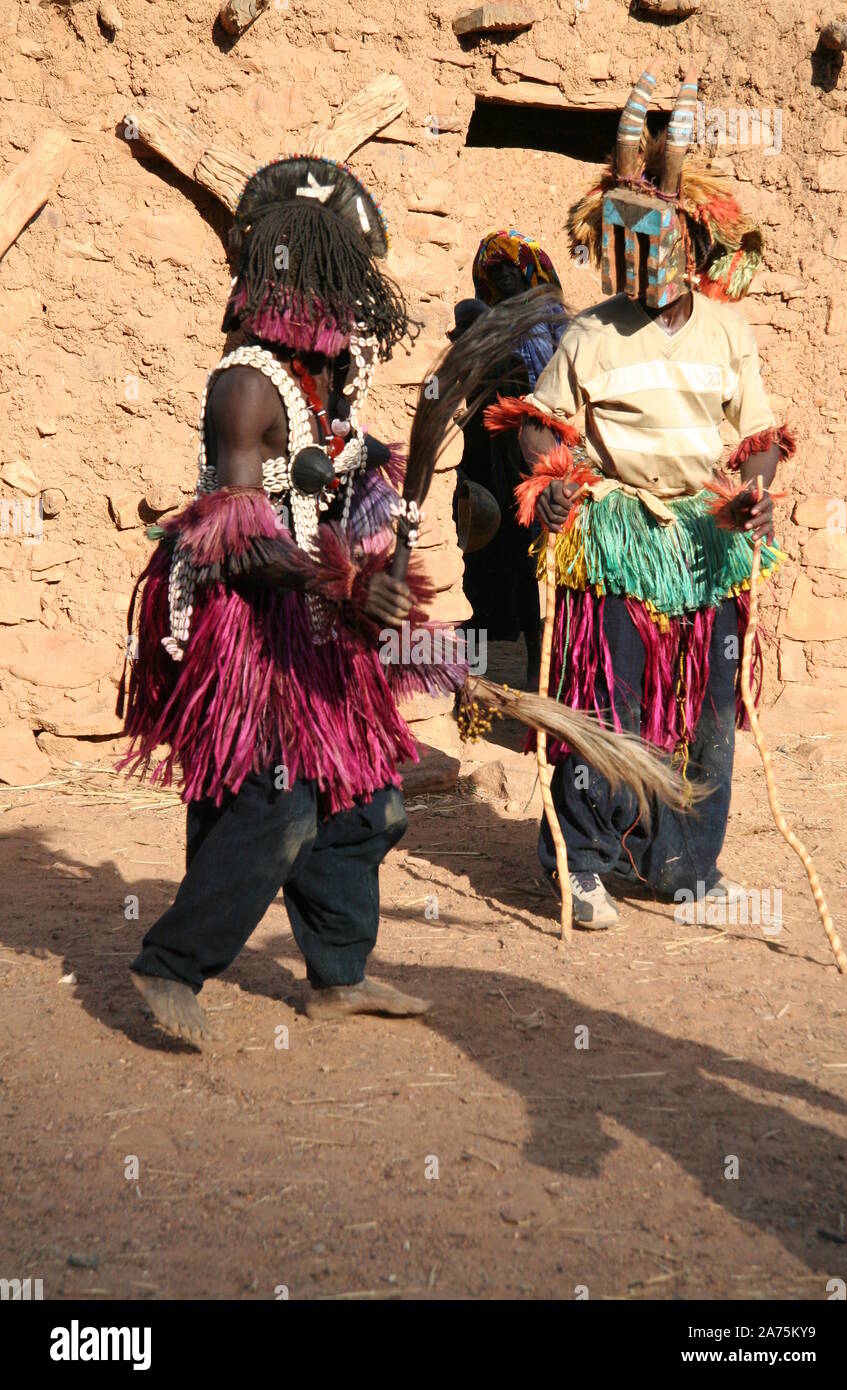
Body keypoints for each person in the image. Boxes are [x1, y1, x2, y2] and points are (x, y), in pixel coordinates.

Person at [120, 155, 462, 1042]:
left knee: (367, 800)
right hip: (251, 618)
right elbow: (233, 547)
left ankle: (339, 975)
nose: (344, 305)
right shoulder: (244, 386)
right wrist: (339, 583)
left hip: (314, 611)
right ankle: (170, 965)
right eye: (330, 281)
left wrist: (379, 567)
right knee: (275, 801)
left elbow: (345, 502)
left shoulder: (326, 386)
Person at [485, 61, 795, 929]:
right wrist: (551, 479)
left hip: (707, 539)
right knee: (607, 703)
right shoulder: (589, 333)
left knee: (706, 709)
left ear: (689, 242)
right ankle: (580, 863)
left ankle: (686, 870)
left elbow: (759, 440)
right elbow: (537, 420)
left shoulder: (730, 333)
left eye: (648, 241)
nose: (630, 260)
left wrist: (754, 496)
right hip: (618, 532)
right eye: (618, 241)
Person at [453, 231, 566, 684]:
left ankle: (551, 663)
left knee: (550, 553)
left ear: (529, 274)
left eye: (509, 272)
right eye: (493, 273)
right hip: (499, 447)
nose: (502, 280)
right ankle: (513, 658)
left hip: (548, 445)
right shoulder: (481, 317)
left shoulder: (554, 321)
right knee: (507, 555)